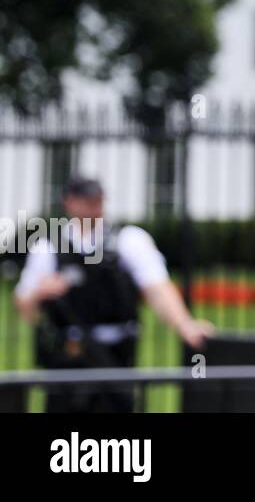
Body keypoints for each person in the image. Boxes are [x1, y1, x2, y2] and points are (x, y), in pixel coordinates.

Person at [13, 176, 213, 412]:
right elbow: (25, 307)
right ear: (69, 203)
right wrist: (39, 292)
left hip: (116, 355)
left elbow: (157, 287)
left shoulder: (127, 240)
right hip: (67, 356)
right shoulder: (47, 247)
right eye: (86, 201)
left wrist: (184, 324)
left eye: (97, 201)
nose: (93, 207)